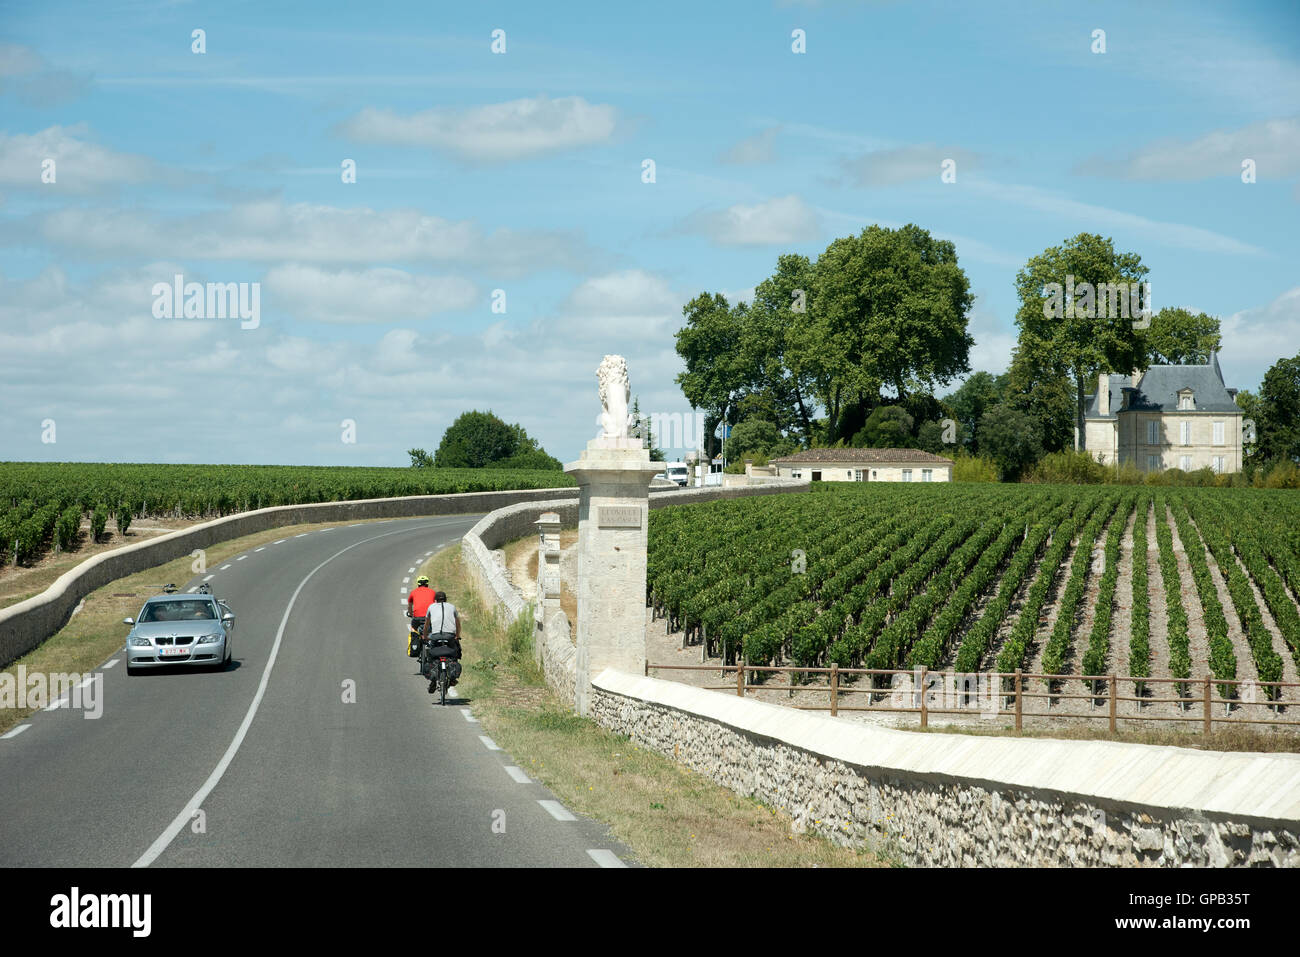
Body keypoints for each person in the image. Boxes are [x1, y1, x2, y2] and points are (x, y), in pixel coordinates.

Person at [422, 590, 461, 693]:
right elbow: (457, 623)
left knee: (431, 655)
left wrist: (425, 636)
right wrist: (457, 636)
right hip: (450, 636)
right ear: (446, 599)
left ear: (435, 600)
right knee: (455, 654)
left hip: (435, 636)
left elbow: (426, 624)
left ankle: (433, 679)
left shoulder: (431, 607)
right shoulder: (452, 607)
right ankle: (452, 679)